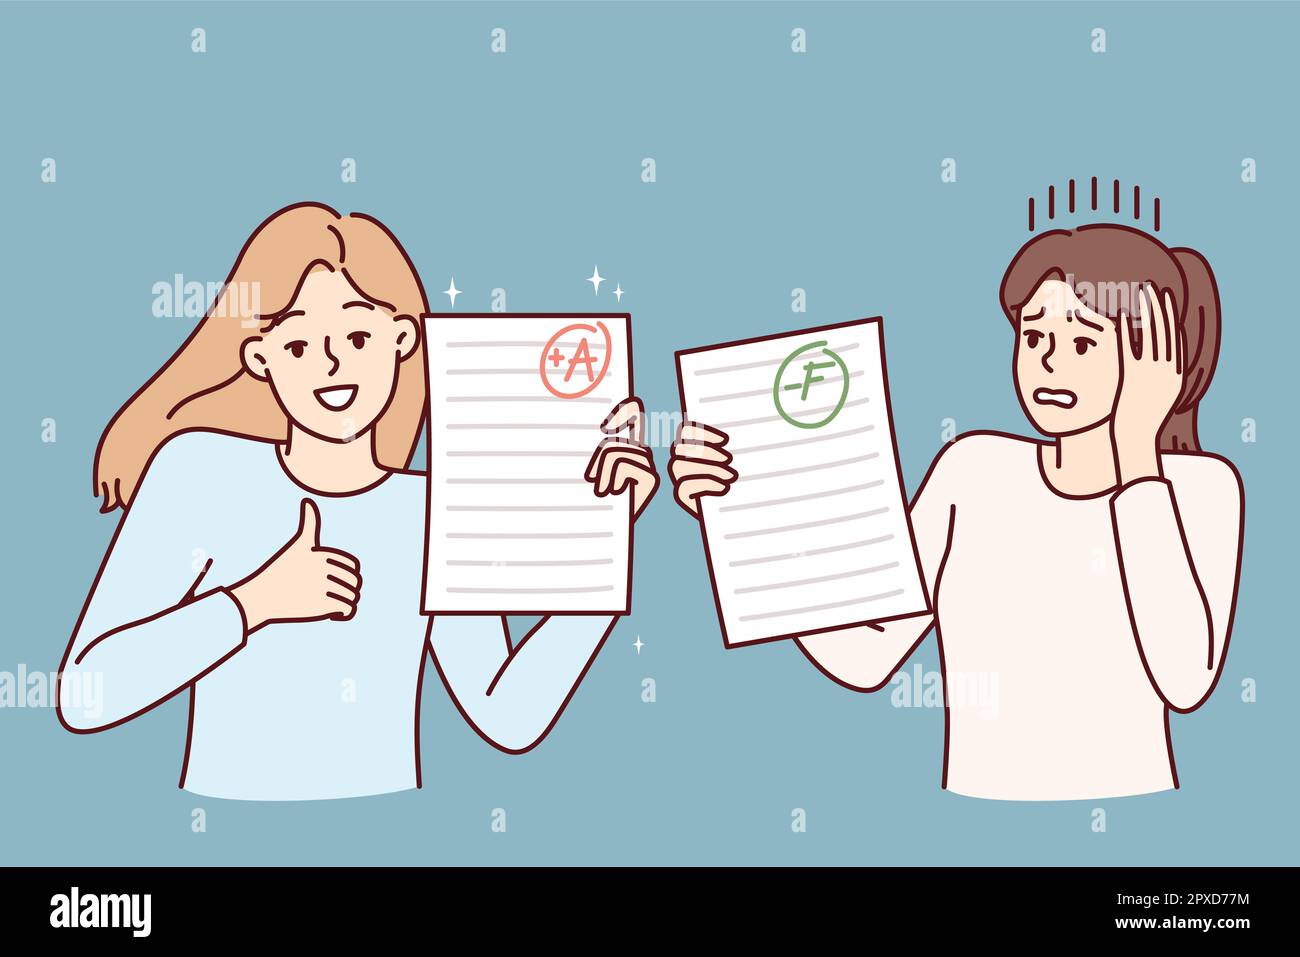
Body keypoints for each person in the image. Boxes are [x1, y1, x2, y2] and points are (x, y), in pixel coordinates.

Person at [57, 202, 658, 801]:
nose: (332, 363)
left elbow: (507, 717)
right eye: (298, 346)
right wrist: (253, 603)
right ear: (259, 358)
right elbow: (85, 696)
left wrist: (605, 542)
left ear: (402, 340)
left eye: (359, 335)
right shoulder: (200, 473)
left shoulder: (432, 510)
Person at [670, 224, 1243, 800]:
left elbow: (1185, 678)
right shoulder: (972, 471)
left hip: (1137, 820)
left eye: (1083, 343)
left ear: (1154, 359)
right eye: (1033, 337)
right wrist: (739, 518)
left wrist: (1141, 455)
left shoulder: (1199, 488)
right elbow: (868, 655)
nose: (1048, 364)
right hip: (974, 820)